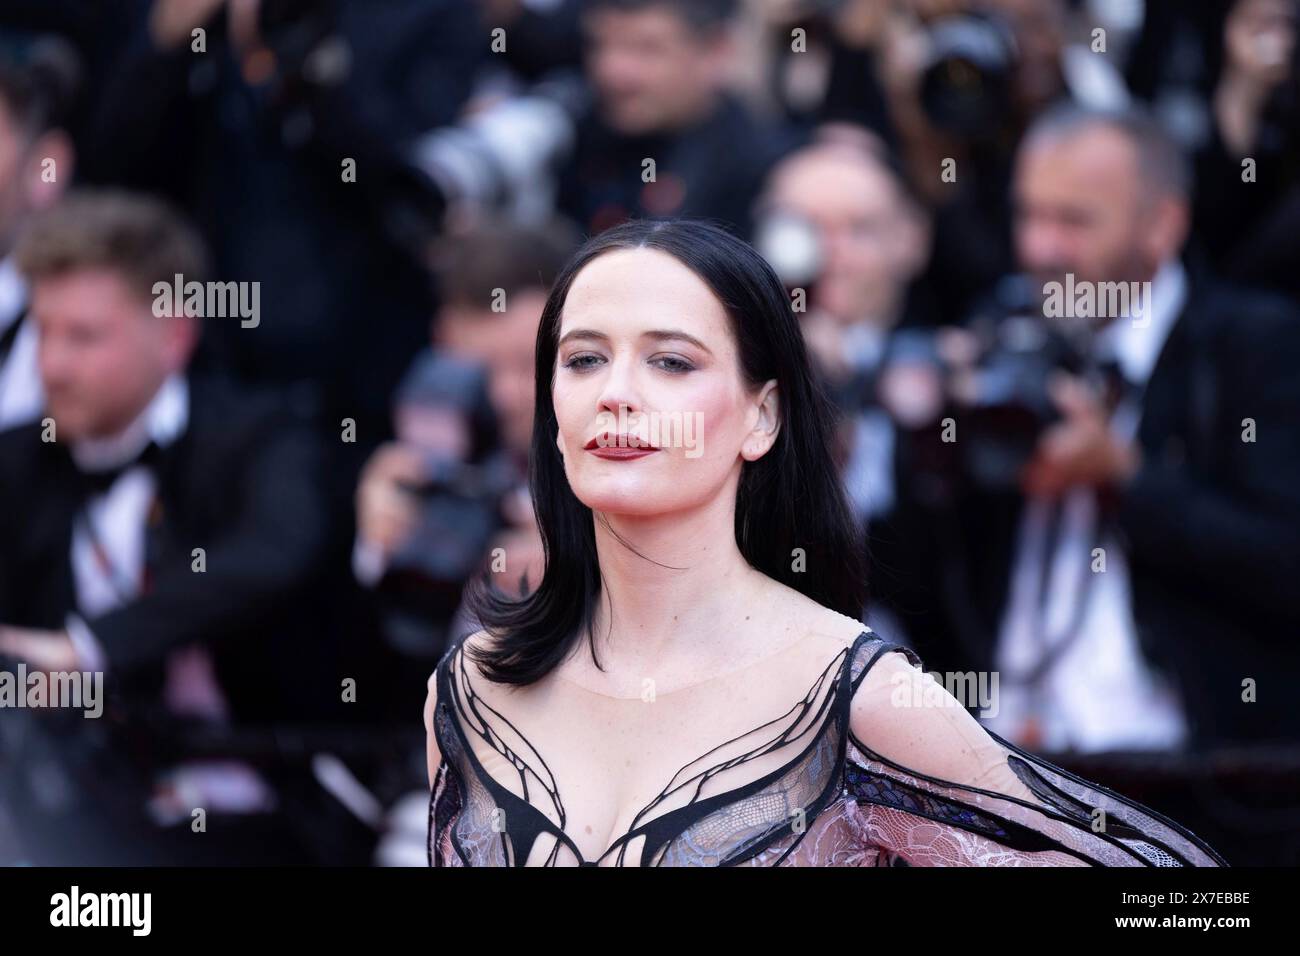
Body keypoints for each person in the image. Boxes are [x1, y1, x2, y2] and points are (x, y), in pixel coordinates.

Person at [423, 217, 1225, 867]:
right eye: (584, 359)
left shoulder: (851, 692)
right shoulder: (471, 689)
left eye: (670, 361)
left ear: (761, 416)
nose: (617, 395)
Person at [0, 190, 340, 864]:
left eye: (84, 335)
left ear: (174, 335)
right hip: (70, 799)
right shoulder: (17, 459)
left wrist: (86, 647)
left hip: (267, 802)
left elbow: (277, 552)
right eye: (43, 331)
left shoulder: (263, 437)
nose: (53, 366)